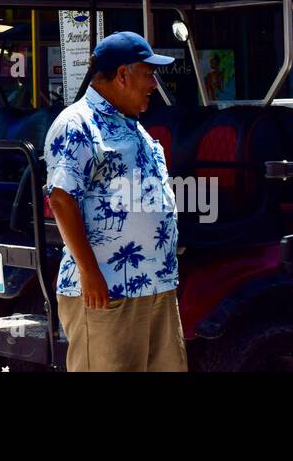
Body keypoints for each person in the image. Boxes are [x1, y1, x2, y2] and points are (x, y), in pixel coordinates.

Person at [45, 31, 186, 372]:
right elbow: (62, 198)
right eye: (148, 74)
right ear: (122, 74)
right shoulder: (78, 124)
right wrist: (90, 273)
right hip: (107, 291)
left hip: (155, 287)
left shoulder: (133, 125)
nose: (154, 84)